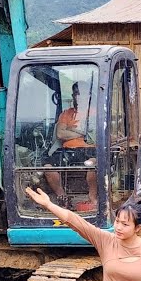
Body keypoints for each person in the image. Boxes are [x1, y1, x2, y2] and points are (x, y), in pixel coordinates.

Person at [44, 82, 98, 211]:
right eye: (76, 93)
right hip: (66, 151)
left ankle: (93, 198)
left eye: (82, 93)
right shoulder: (66, 114)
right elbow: (60, 133)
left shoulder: (96, 113)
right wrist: (82, 132)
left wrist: (70, 131)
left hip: (89, 150)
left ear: (89, 96)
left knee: (93, 164)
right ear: (73, 96)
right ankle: (63, 198)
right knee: (47, 167)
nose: (79, 96)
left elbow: (95, 133)